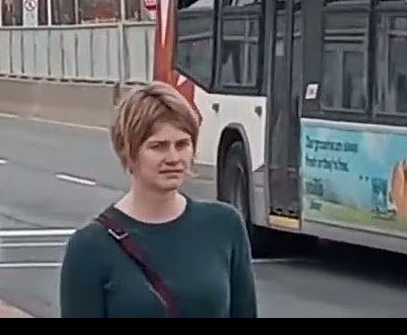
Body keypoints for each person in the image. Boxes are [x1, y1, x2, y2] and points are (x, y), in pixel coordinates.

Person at [59, 82, 258, 318]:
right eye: (158, 146)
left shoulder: (224, 225)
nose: (173, 158)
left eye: (182, 144)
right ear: (129, 153)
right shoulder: (90, 247)